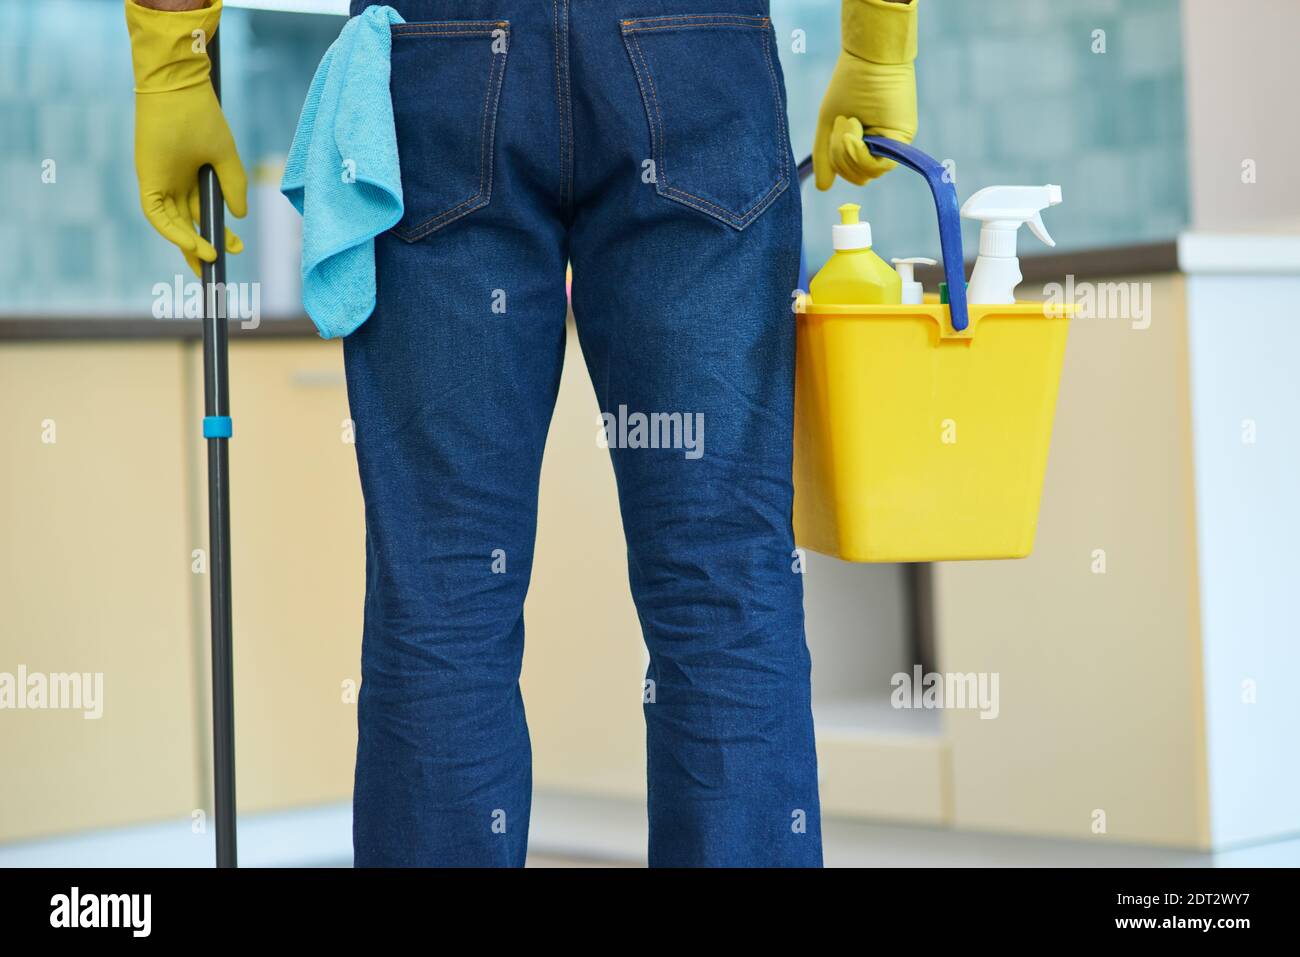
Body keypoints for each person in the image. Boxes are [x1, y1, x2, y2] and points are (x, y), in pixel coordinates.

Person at [126, 0, 918, 867]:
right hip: (691, 48)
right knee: (721, 581)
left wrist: (173, 54)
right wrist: (878, 40)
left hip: (445, 58)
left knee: (443, 589)